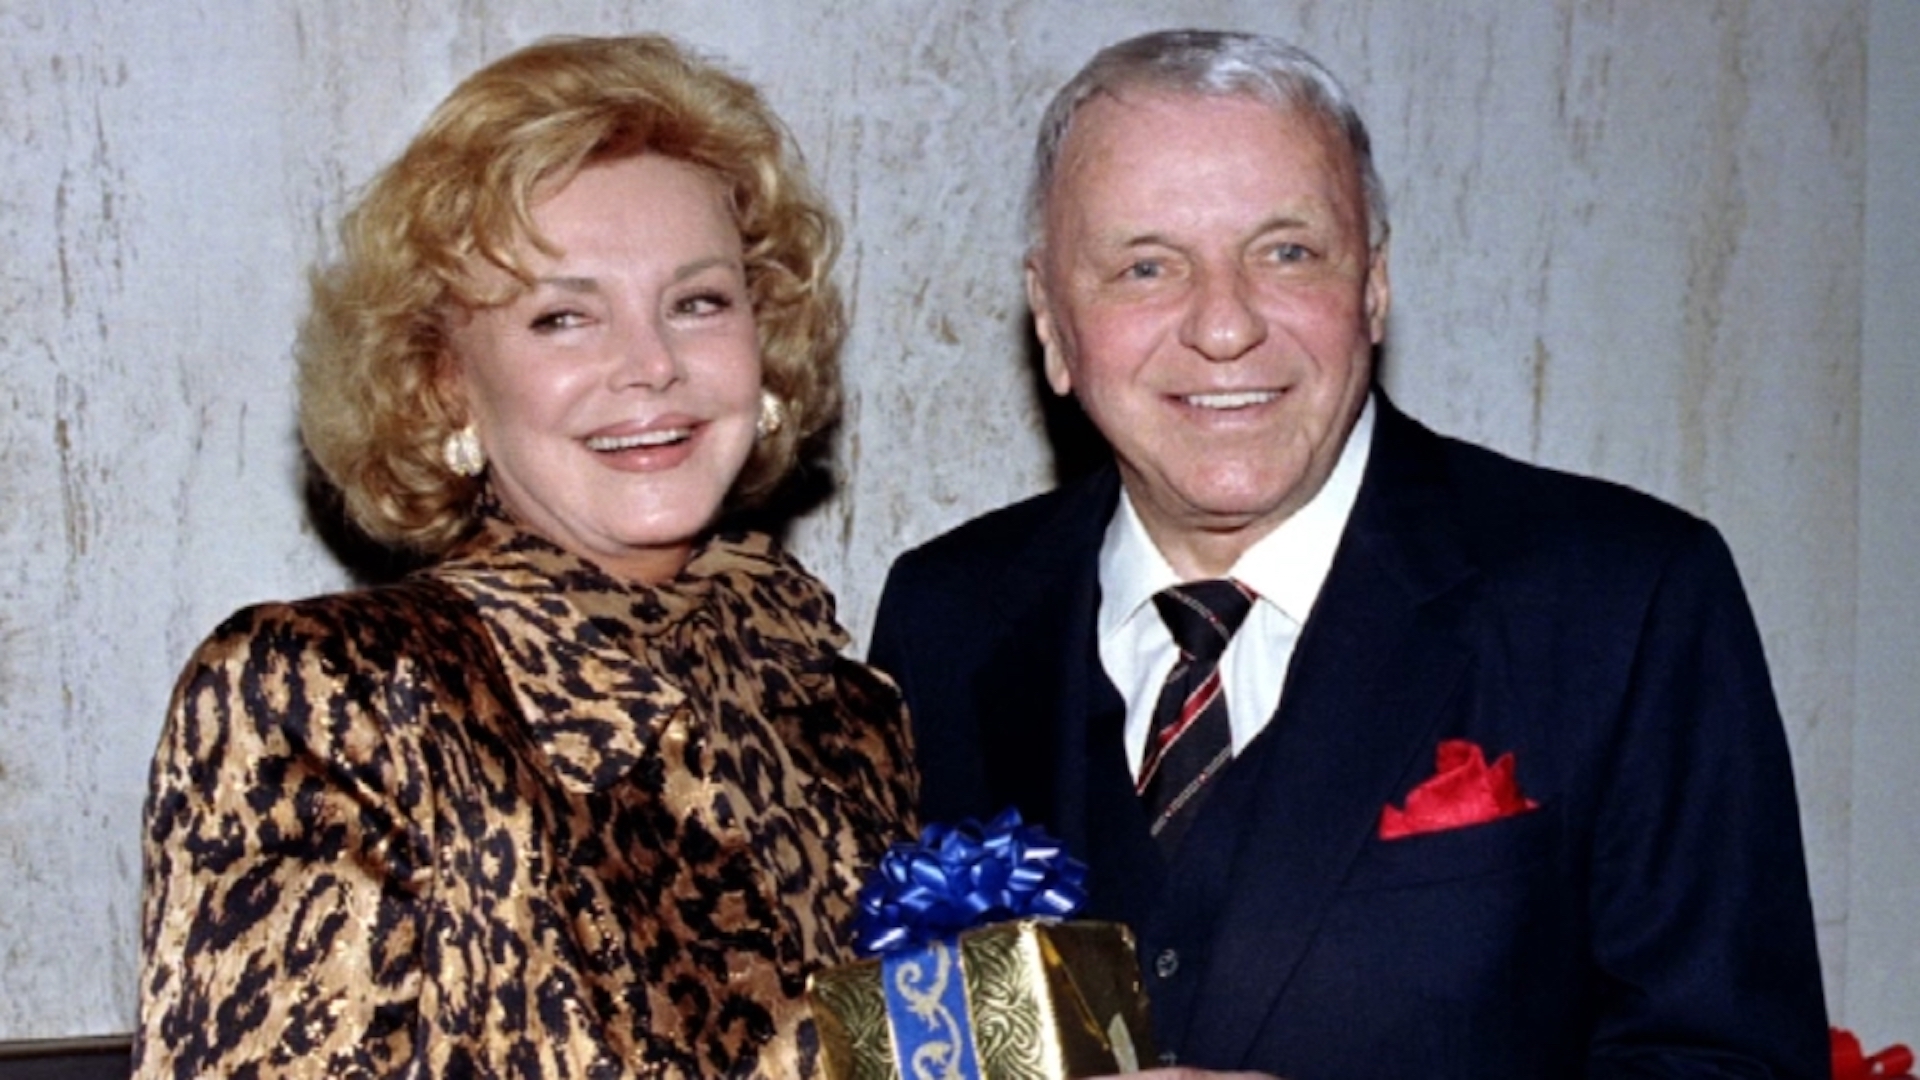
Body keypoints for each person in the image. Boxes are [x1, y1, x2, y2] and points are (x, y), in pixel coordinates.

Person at [869, 28, 1828, 1079]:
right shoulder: (944, 622)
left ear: (1373, 284)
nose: (1224, 326)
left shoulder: (1622, 602)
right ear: (1052, 321)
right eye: (1146, 266)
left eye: (1286, 252)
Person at [135, 34, 913, 1078]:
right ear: (444, 380)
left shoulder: (839, 711)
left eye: (697, 302)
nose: (652, 365)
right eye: (563, 318)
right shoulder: (334, 699)